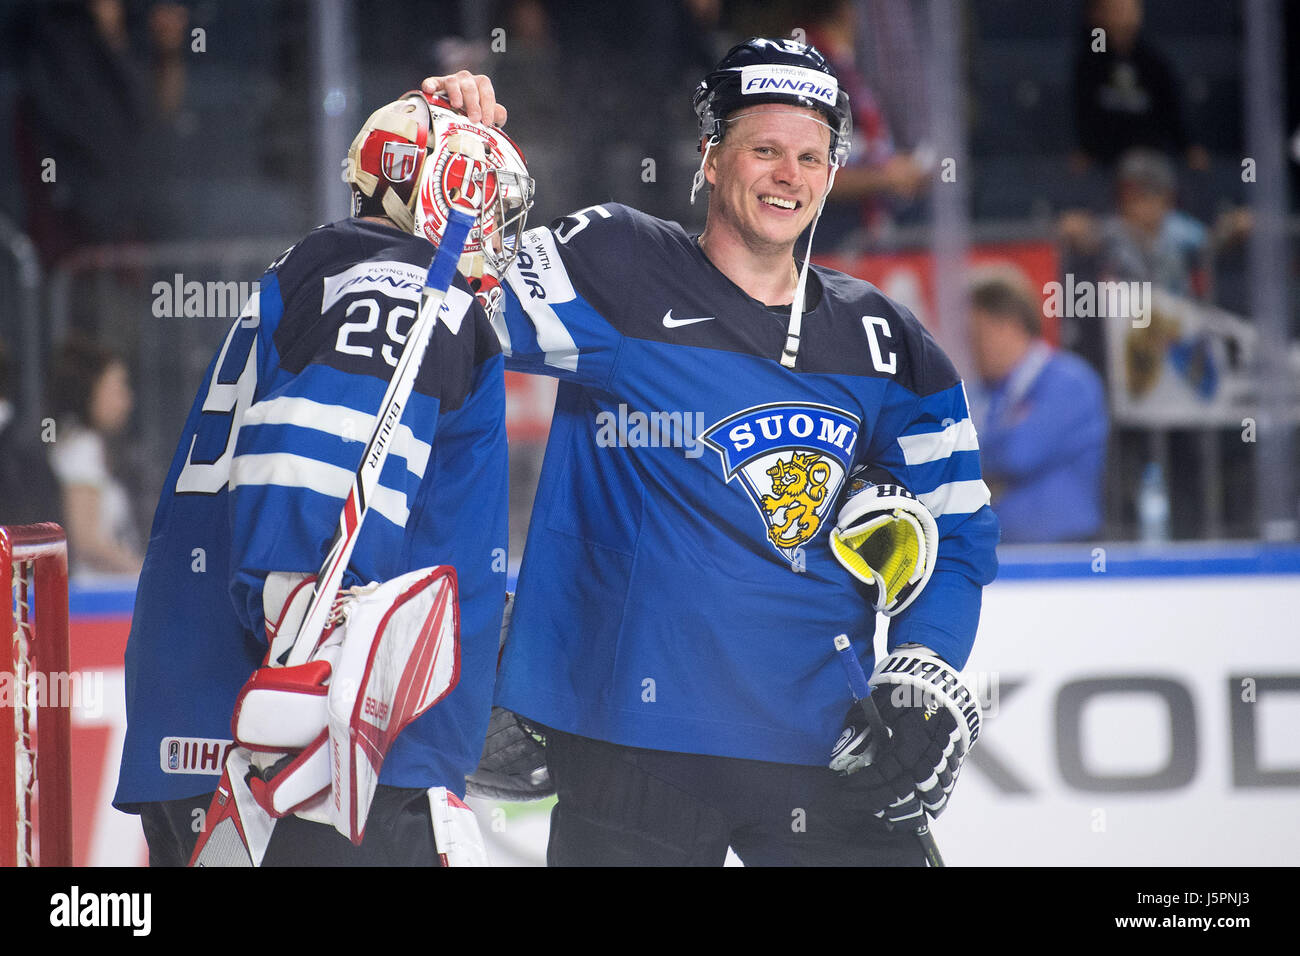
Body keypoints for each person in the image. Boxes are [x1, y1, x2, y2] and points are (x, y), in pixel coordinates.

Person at [427, 38, 999, 866]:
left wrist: (923, 667)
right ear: (710, 157)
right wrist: (443, 154)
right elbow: (443, 306)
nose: (787, 175)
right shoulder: (618, 268)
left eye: (811, 156)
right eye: (764, 149)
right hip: (634, 742)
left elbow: (958, 530)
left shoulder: (884, 344)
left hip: (824, 739)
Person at [112, 91, 531, 865]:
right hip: (308, 761)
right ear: (435, 190)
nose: (494, 228)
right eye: (479, 196)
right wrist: (312, 662)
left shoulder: (320, 268)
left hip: (206, 721)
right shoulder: (412, 288)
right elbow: (313, 482)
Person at [968, 274, 1108, 544]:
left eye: (978, 335)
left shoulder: (1069, 381)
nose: (973, 348)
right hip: (1004, 553)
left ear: (1010, 326)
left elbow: (1019, 453)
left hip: (1067, 552)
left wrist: (978, 451)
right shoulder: (984, 392)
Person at [47, 335, 143, 577]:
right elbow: (87, 541)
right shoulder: (82, 448)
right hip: (96, 601)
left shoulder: (82, 445)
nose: (127, 401)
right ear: (91, 390)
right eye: (118, 387)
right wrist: (144, 573)